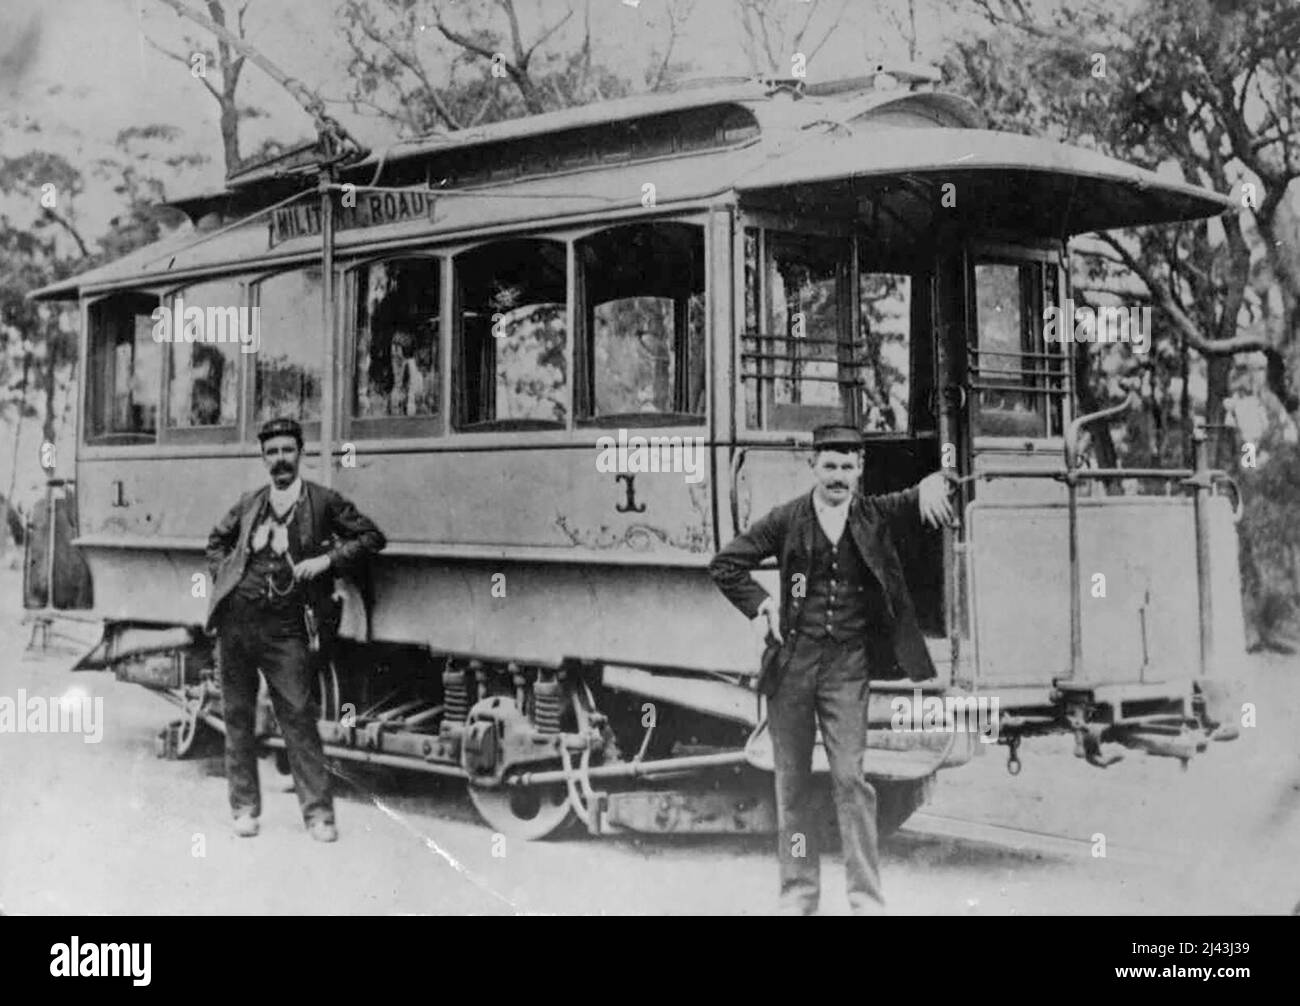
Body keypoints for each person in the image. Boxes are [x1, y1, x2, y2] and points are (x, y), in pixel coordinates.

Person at [708, 424, 955, 915]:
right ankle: (798, 897)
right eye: (830, 466)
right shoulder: (787, 520)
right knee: (792, 787)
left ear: (860, 470)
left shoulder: (875, 513)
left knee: (850, 781)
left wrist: (937, 479)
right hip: (792, 668)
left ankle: (866, 901)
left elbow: (933, 486)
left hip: (847, 668)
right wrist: (760, 609)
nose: (839, 476)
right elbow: (726, 564)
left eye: (848, 466)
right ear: (813, 467)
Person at [204, 417, 386, 841]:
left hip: (287, 629)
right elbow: (215, 543)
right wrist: (232, 569)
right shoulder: (251, 503)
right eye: (272, 452)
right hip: (237, 625)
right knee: (237, 717)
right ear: (264, 458)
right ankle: (244, 809)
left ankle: (319, 815)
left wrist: (325, 561)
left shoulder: (321, 503)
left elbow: (372, 537)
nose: (280, 459)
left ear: (300, 454)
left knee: (298, 718)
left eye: (287, 450)